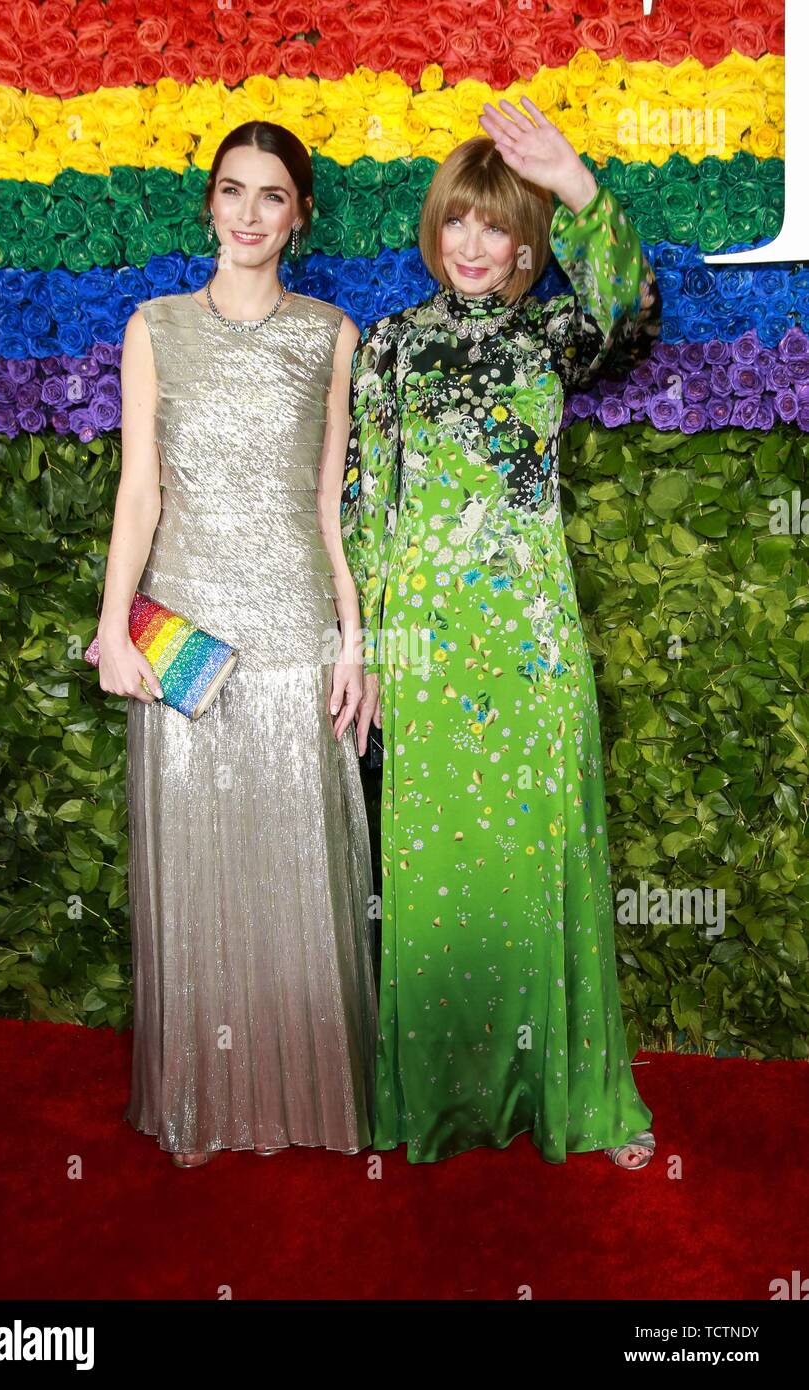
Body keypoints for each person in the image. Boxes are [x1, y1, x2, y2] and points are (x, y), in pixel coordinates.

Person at [340, 97, 662, 1169]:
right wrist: (370, 648)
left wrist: (573, 183)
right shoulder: (387, 347)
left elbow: (630, 311)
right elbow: (362, 505)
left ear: (524, 243)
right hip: (426, 645)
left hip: (532, 639)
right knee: (434, 880)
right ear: (435, 230)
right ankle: (438, 1105)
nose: (473, 246)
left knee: (540, 865)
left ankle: (575, 1098)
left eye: (496, 226)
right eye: (457, 224)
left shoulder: (549, 334)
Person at [97, 120, 377, 1168]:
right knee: (200, 859)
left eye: (272, 196)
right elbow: (138, 490)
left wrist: (355, 642)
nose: (250, 214)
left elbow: (329, 507)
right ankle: (202, 1100)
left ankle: (305, 1095)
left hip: (295, 623)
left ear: (300, 214)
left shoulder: (332, 336)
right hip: (182, 626)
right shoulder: (154, 326)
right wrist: (109, 623)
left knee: (299, 859)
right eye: (232, 192)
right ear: (207, 205)